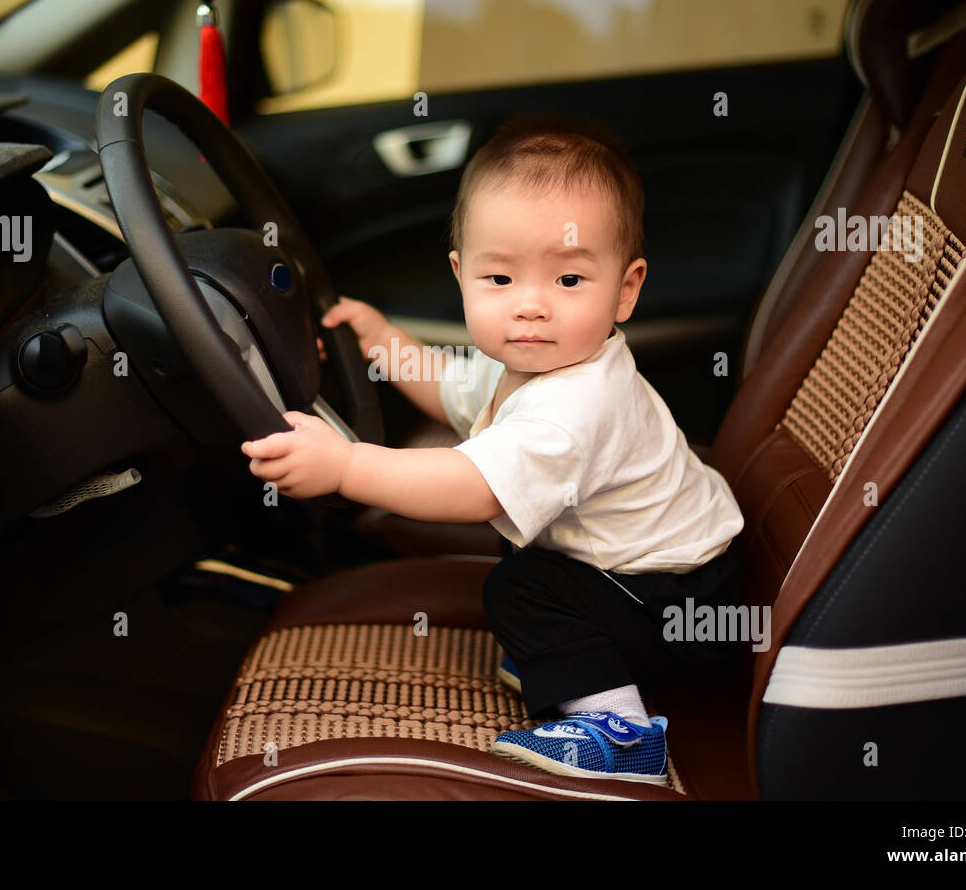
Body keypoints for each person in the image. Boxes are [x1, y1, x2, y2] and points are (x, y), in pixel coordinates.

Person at [240, 114, 745, 785]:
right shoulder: (531, 362)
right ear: (462, 275)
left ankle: (620, 732)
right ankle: (570, 651)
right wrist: (380, 339)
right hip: (651, 577)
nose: (530, 306)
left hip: (682, 601)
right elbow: (449, 385)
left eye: (568, 281)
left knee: (520, 587)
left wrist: (347, 465)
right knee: (528, 560)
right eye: (500, 280)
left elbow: (475, 487)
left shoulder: (578, 402)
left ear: (627, 289)